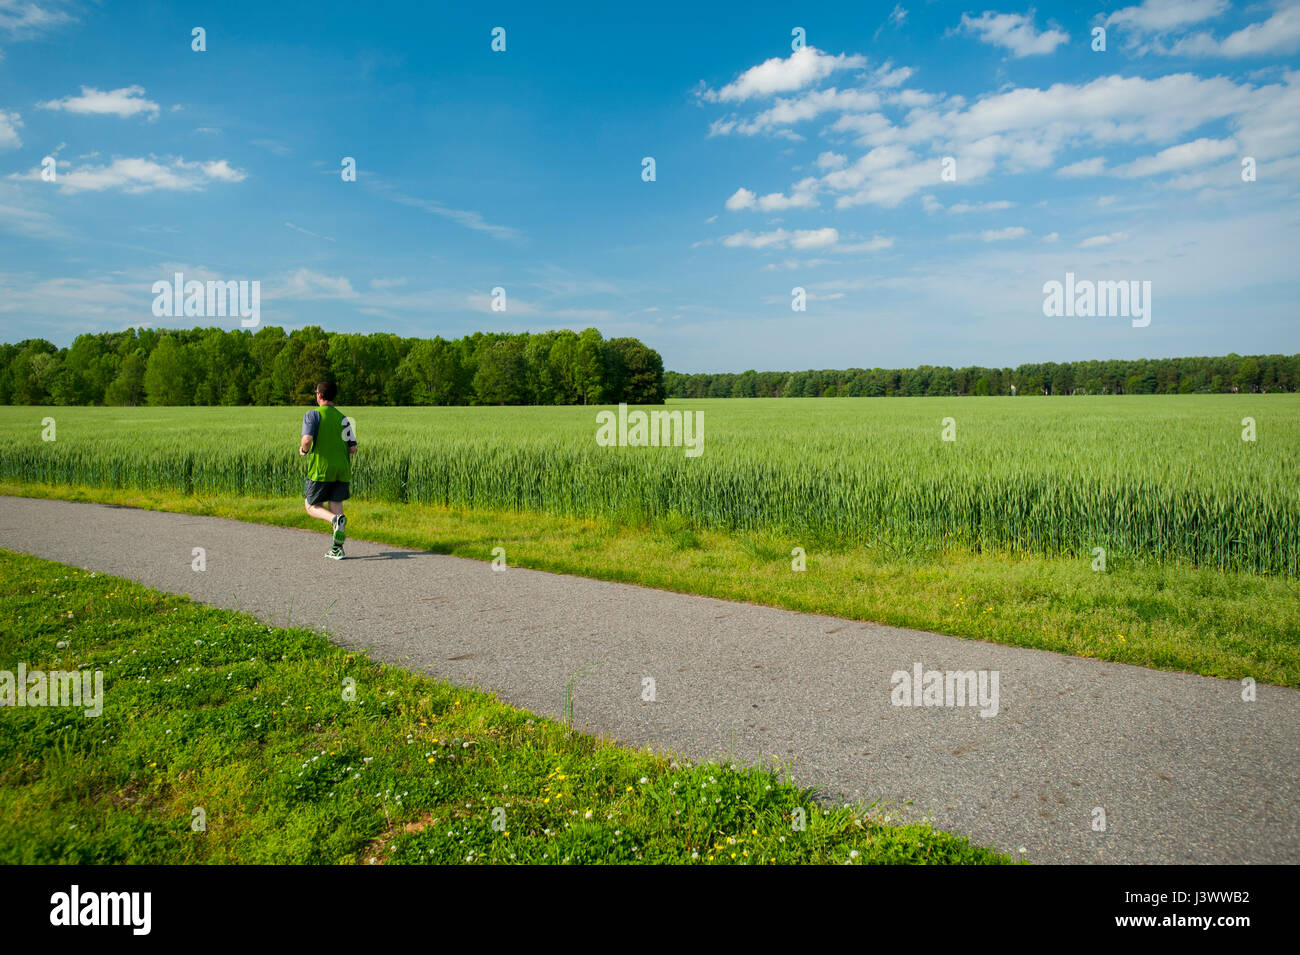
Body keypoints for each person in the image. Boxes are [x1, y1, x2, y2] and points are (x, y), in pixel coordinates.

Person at [299, 381, 357, 559]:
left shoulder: (312, 415)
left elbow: (307, 440)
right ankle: (337, 548)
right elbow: (352, 448)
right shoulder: (344, 418)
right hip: (342, 469)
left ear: (319, 395)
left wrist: (303, 450)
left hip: (321, 469)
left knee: (311, 506)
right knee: (336, 505)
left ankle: (333, 520)